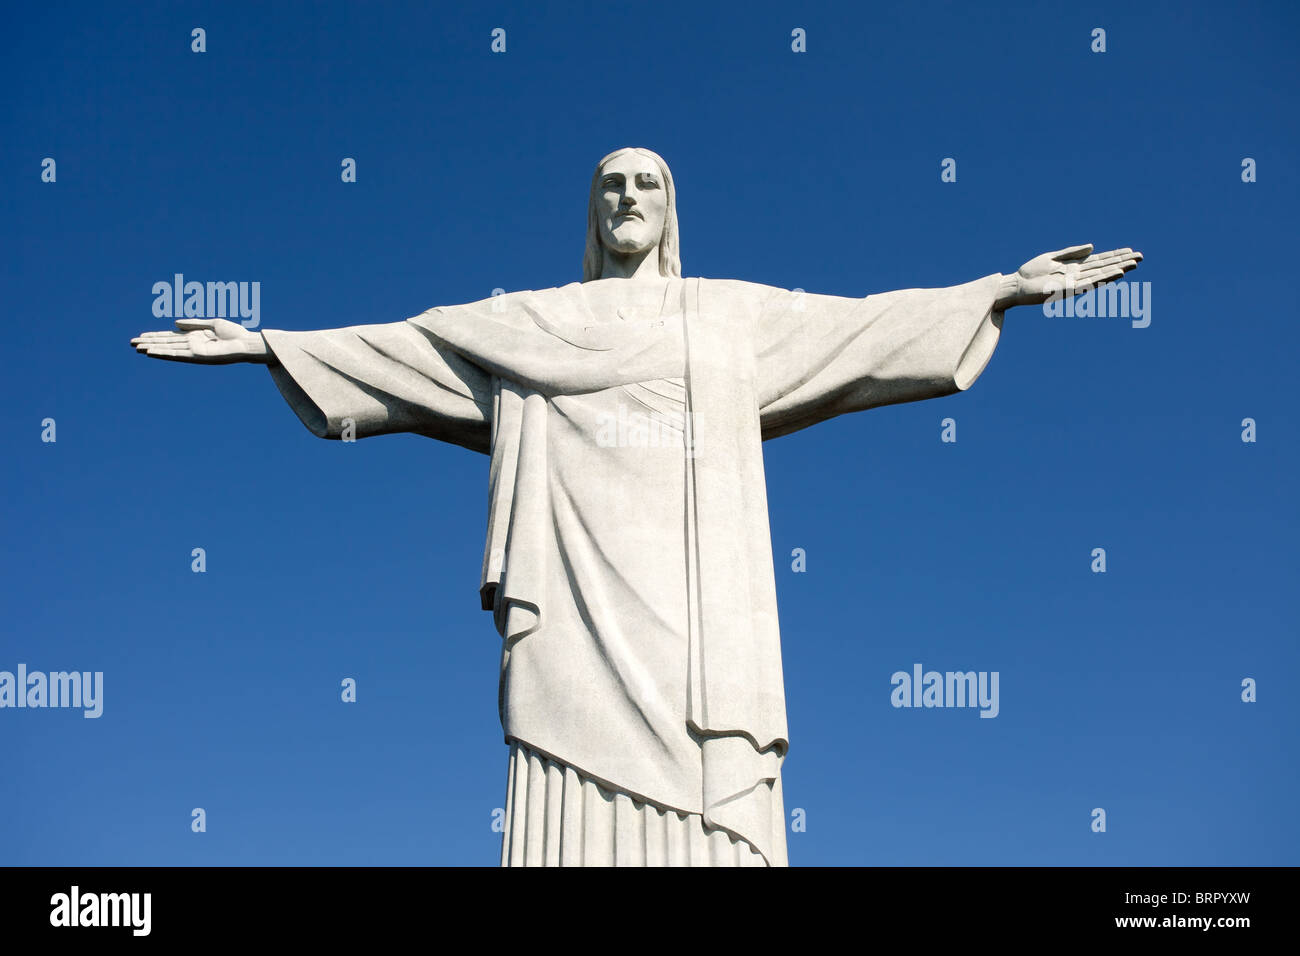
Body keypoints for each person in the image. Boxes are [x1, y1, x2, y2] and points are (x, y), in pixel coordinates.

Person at [132, 146, 1141, 866]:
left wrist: (994, 291)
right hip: (572, 600)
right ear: (592, 210)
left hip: (701, 613)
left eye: (647, 182)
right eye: (610, 183)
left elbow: (859, 329)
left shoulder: (725, 314)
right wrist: (270, 343)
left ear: (669, 208)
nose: (626, 195)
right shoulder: (534, 322)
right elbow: (409, 348)